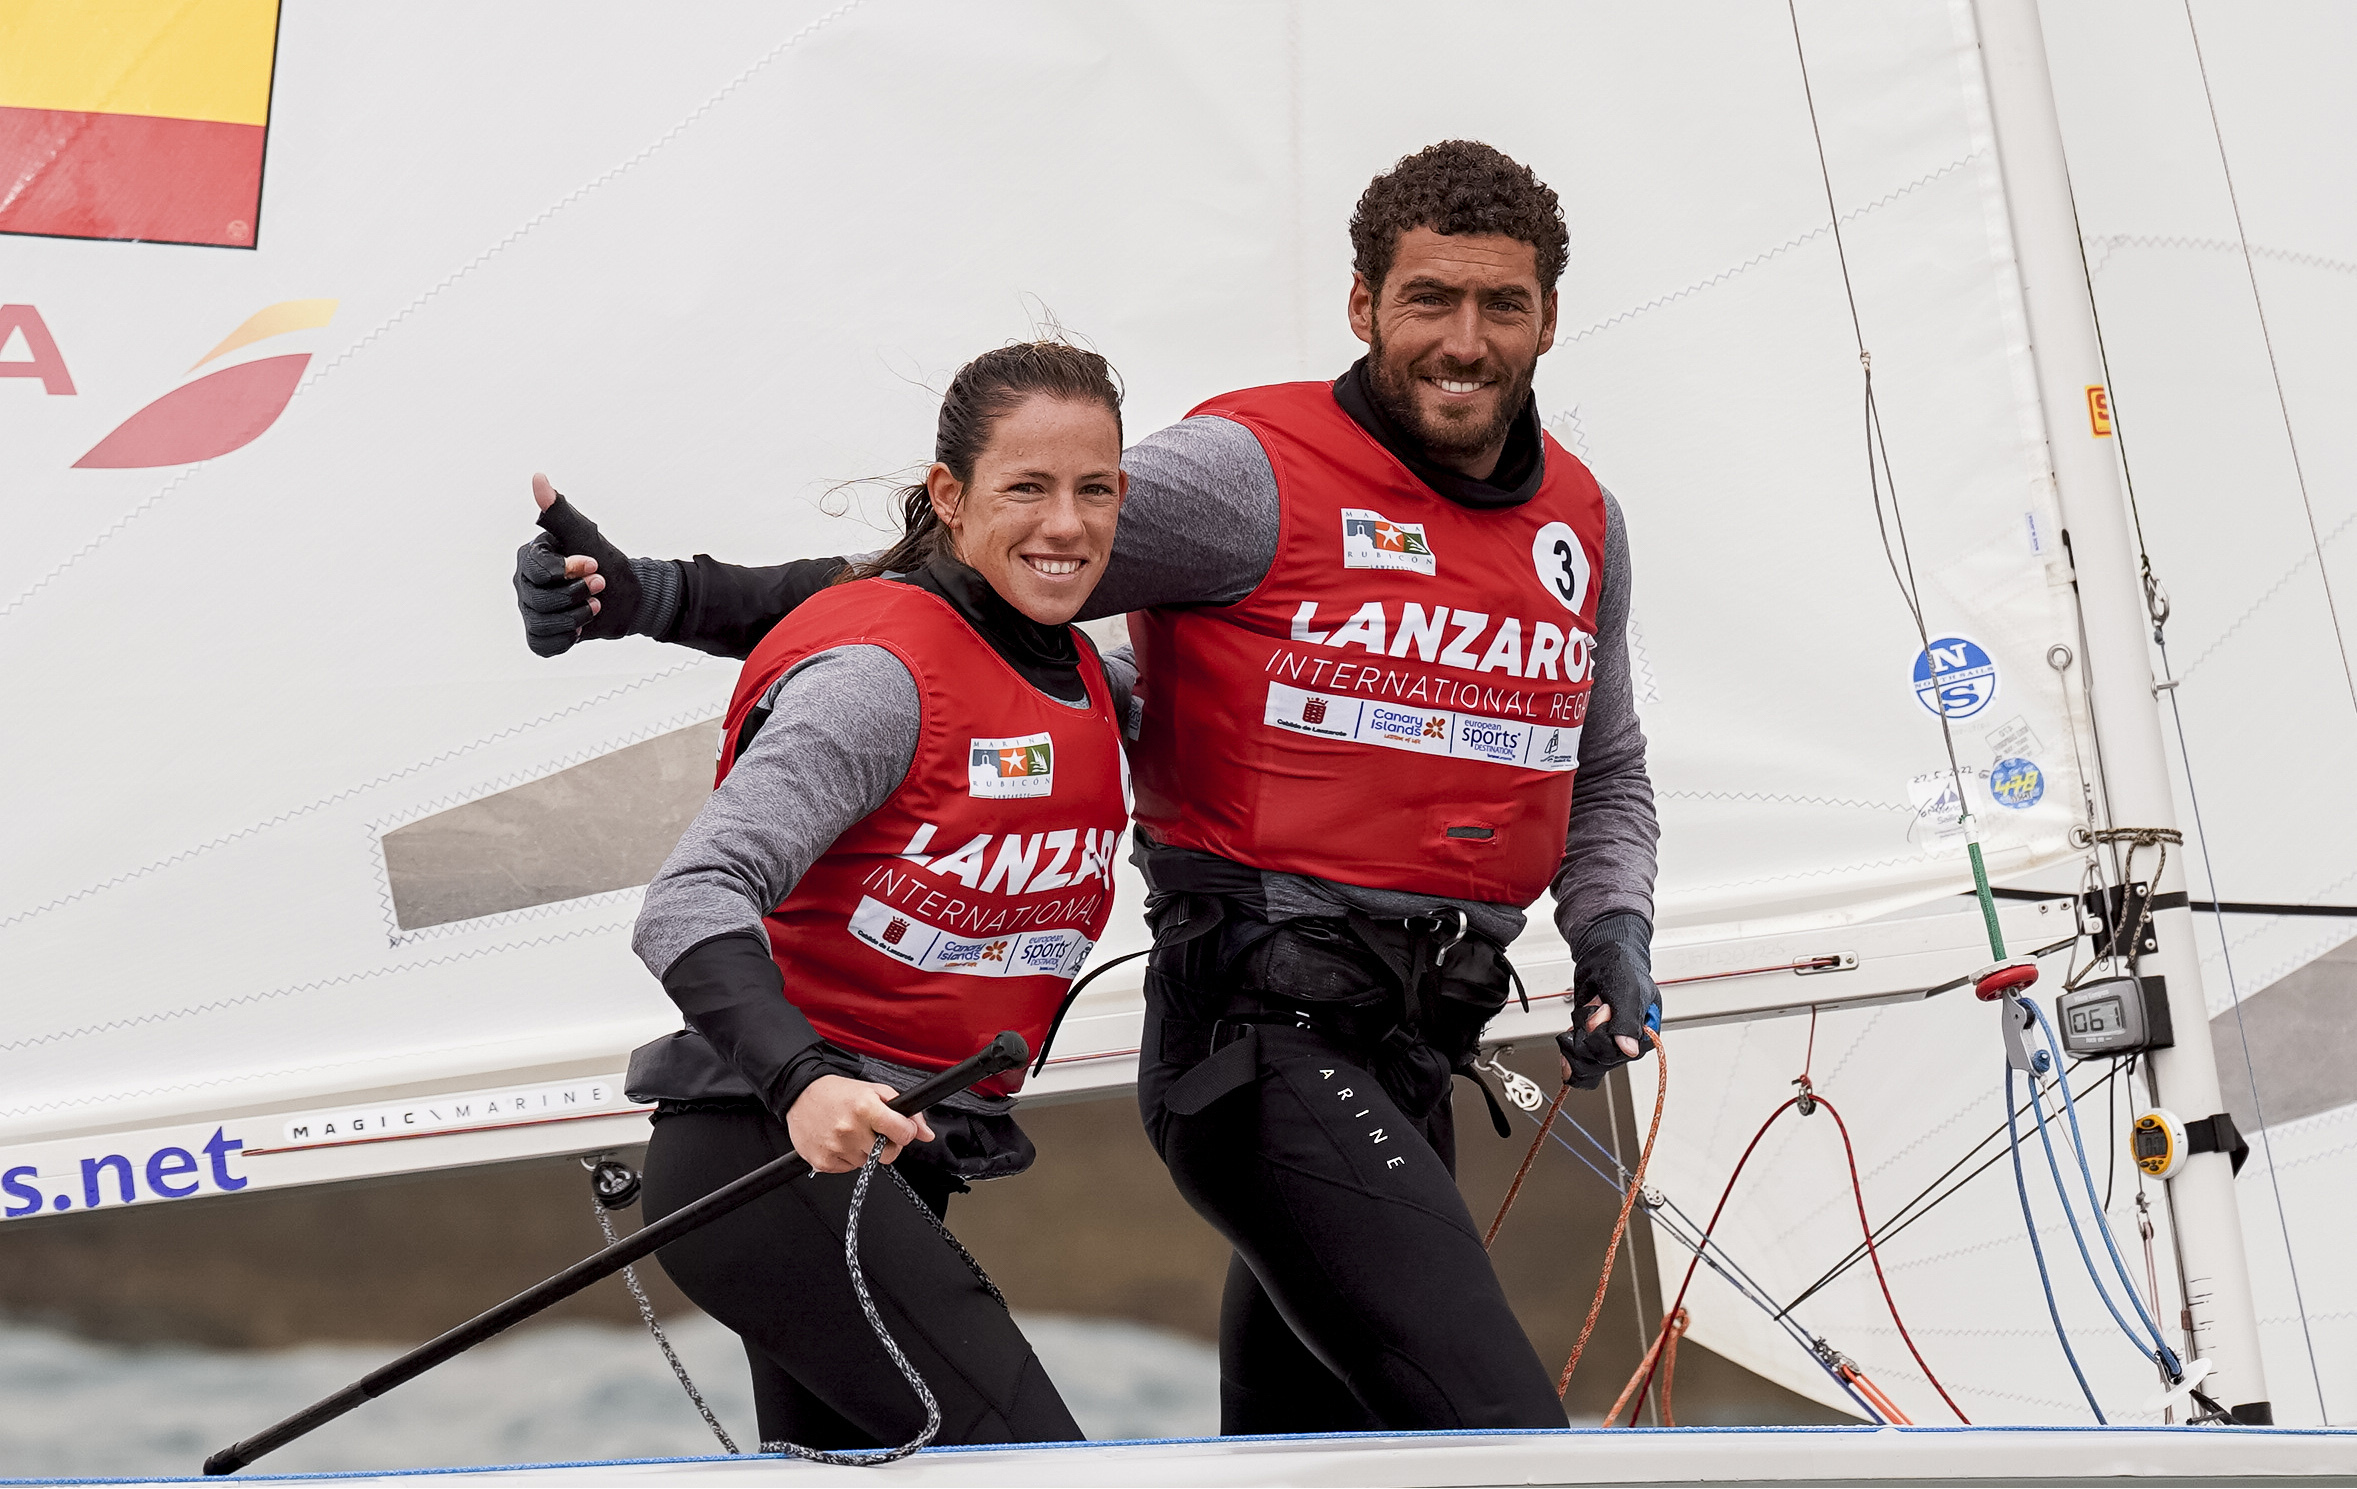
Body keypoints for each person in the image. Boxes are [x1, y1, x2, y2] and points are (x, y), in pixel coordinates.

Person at [522, 142, 1659, 1435]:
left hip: (1417, 1047)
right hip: (1259, 1039)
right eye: (1429, 300)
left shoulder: (1586, 525)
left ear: (1548, 319)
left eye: (1500, 305)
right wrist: (660, 597)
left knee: (1326, 1459)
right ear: (1362, 307)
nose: (1464, 339)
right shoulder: (1247, 477)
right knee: (1496, 1439)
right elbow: (947, 579)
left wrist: (1611, 931)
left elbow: (1604, 766)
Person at [617, 342, 1133, 1452]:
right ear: (949, 497)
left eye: (1094, 489)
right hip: (765, 1157)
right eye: (1026, 488)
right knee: (1045, 1474)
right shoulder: (877, 682)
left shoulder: (1085, 675)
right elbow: (688, 899)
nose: (1065, 524)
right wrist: (804, 1078)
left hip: (885, 1172)